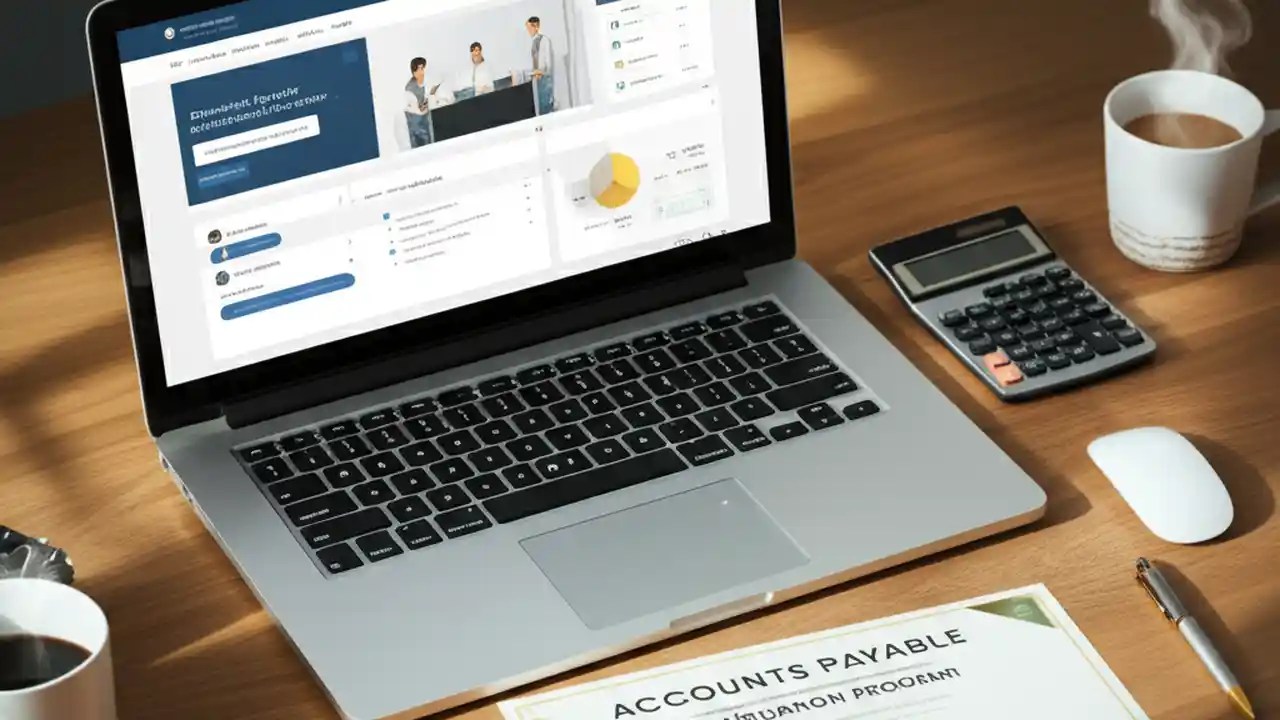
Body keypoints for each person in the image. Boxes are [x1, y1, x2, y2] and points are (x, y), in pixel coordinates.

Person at [403, 57, 456, 148]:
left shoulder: (426, 82)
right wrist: (429, 99)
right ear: (414, 72)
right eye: (421, 69)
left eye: (424, 68)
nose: (423, 71)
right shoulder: (410, 89)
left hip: (427, 117)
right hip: (418, 122)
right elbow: (419, 110)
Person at [526, 16, 555, 114]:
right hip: (538, 80)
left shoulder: (545, 40)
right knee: (540, 109)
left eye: (529, 28)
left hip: (545, 80)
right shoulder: (533, 42)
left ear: (536, 27)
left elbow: (549, 64)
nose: (528, 31)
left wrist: (541, 71)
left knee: (546, 107)